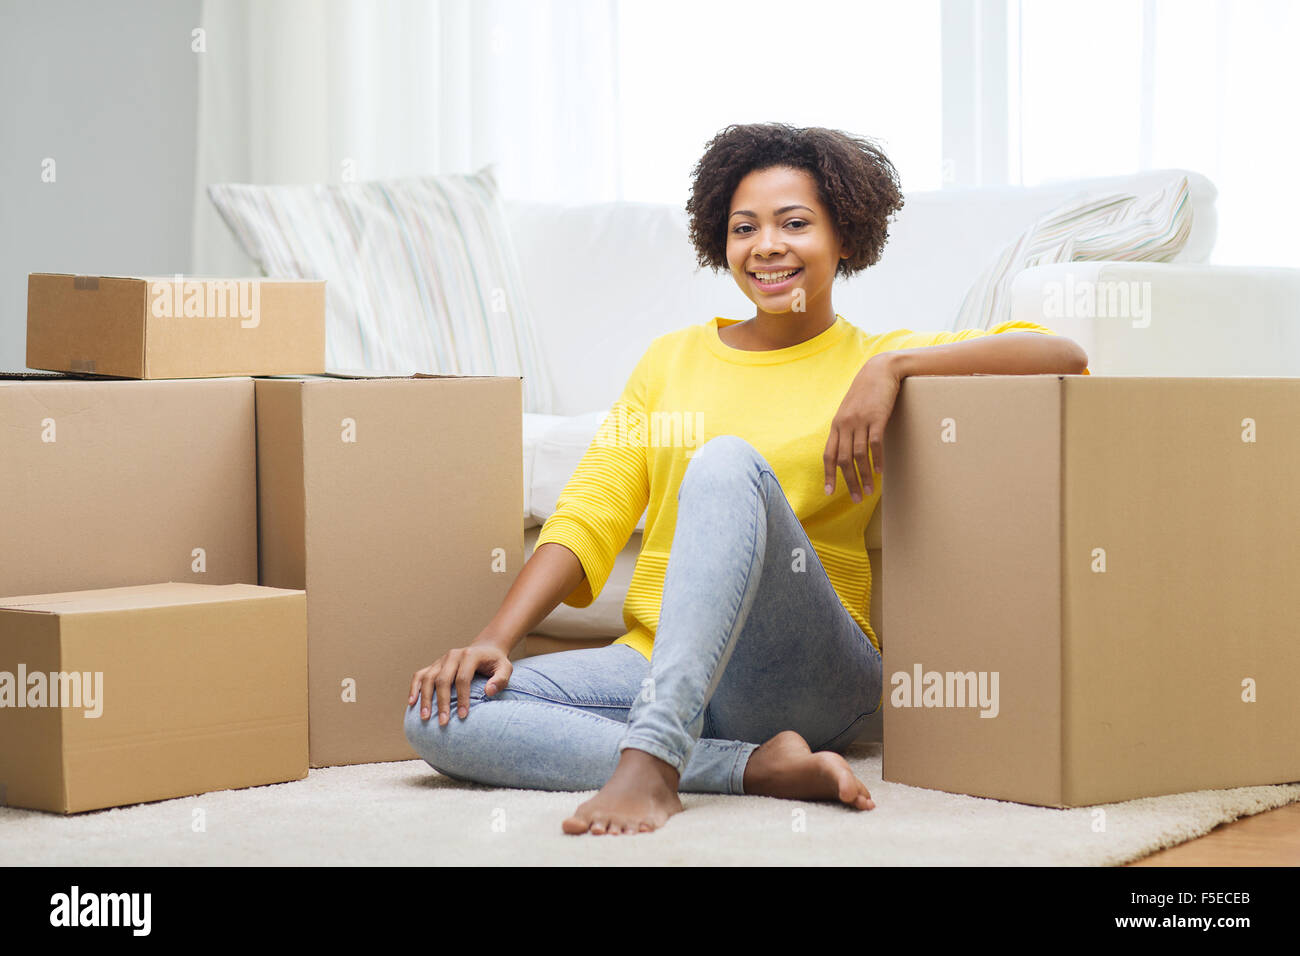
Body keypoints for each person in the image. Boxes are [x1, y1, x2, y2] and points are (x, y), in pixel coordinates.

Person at [404, 122, 1090, 836]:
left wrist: (893, 369)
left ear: (845, 237)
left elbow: (1061, 354)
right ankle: (749, 767)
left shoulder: (877, 357)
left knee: (726, 461)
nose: (767, 245)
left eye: (795, 223)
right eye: (744, 227)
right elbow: (590, 511)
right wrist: (495, 639)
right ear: (720, 241)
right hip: (660, 663)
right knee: (441, 716)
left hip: (809, 673)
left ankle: (654, 766)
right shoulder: (670, 360)